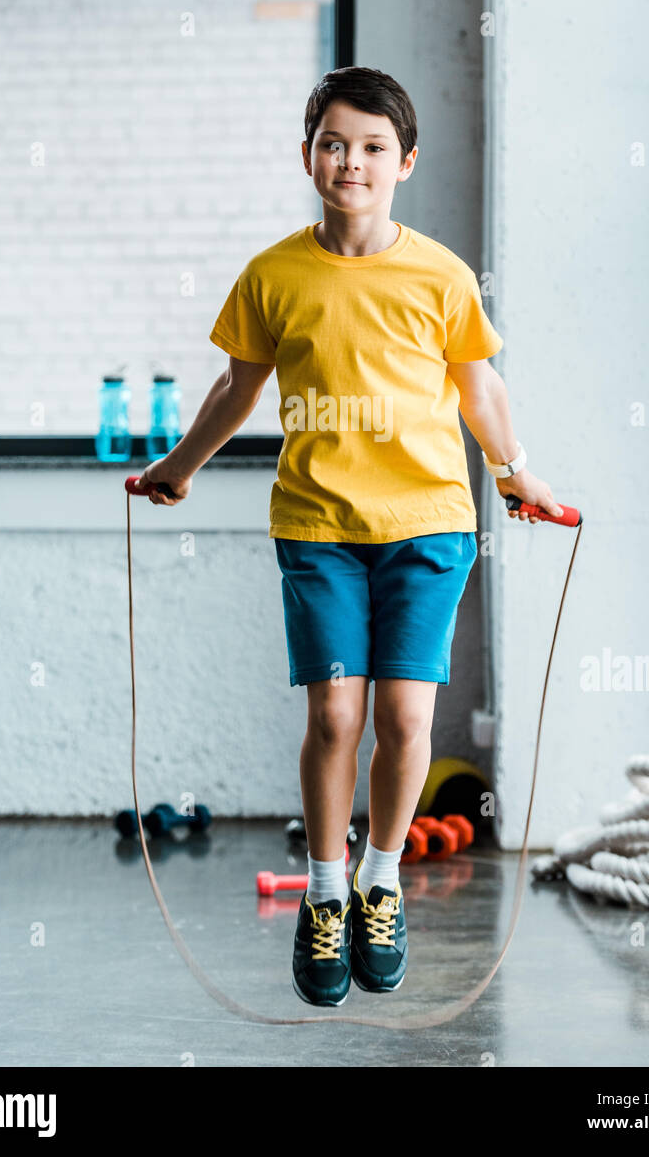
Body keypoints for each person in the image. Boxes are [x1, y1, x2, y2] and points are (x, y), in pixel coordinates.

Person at [130, 66, 562, 1008]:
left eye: (372, 147)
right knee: (334, 717)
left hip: (431, 526)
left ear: (404, 162)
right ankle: (324, 897)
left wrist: (512, 468)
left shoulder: (440, 274)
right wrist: (180, 464)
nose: (351, 162)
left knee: (406, 720)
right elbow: (236, 389)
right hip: (318, 528)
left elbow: (477, 387)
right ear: (307, 156)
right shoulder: (274, 275)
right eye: (334, 143)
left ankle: (378, 880)